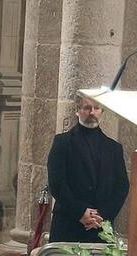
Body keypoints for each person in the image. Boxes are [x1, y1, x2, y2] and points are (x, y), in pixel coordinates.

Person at [44, 94, 128, 244]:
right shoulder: (62, 142)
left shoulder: (113, 148)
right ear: (77, 111)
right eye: (87, 108)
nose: (92, 112)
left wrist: (101, 215)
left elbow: (122, 186)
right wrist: (80, 212)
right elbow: (56, 183)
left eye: (96, 108)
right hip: (68, 224)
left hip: (100, 228)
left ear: (102, 112)